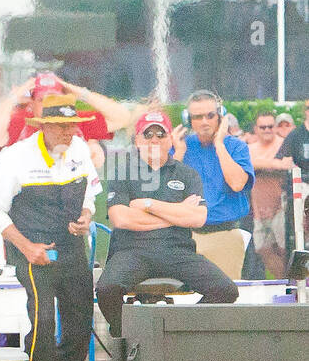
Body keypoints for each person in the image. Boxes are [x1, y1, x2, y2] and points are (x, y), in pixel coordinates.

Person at [0, 94, 97, 361]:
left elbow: (91, 195)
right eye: (62, 127)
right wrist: (27, 247)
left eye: (72, 126)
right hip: (34, 254)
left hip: (73, 249)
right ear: (44, 127)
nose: (69, 132)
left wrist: (86, 218)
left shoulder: (80, 150)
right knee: (43, 329)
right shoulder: (16, 158)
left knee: (79, 330)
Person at [96, 110, 237, 338]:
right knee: (106, 290)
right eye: (147, 134)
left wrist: (148, 204)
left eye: (160, 134)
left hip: (177, 252)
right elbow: (121, 218)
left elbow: (197, 218)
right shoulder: (122, 173)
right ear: (137, 140)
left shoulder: (187, 174)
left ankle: (179, 334)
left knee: (225, 290)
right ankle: (127, 338)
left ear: (170, 139)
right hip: (132, 252)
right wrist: (177, 212)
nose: (154, 140)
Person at [173, 90, 258, 280]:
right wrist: (177, 153)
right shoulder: (181, 147)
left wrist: (220, 144)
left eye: (210, 115)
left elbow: (237, 184)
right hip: (187, 237)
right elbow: (167, 191)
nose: (204, 122)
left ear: (220, 117)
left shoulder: (236, 147)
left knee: (225, 301)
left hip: (225, 233)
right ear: (189, 120)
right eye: (197, 117)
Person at [0, 71, 132, 169]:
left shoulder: (74, 120)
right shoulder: (21, 120)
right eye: (42, 100)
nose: (49, 105)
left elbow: (122, 118)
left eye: (54, 99)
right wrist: (14, 97)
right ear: (32, 102)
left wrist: (79, 93)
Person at [246, 109, 294, 278]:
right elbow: (249, 164)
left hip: (282, 206)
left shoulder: (284, 144)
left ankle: (292, 285)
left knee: (283, 248)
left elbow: (290, 164)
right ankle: (284, 281)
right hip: (260, 209)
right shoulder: (250, 148)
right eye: (263, 127)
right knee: (262, 249)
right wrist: (275, 164)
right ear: (256, 128)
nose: (267, 130)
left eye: (270, 126)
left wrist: (269, 164)